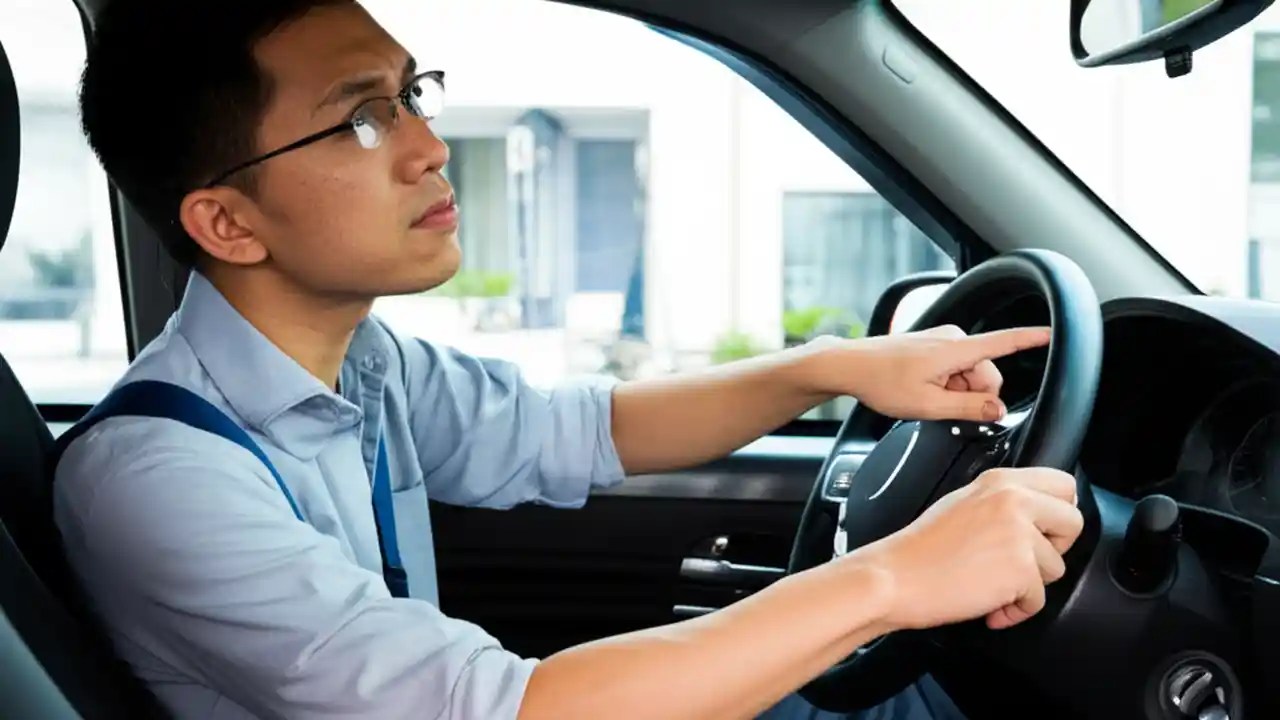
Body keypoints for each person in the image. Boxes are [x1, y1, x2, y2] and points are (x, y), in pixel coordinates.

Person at [56, 1, 1085, 718]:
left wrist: (832, 368)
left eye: (412, 94)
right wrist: (896, 576)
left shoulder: (364, 365)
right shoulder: (159, 480)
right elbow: (501, 712)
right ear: (229, 224)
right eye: (362, 118)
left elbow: (586, 429)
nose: (428, 147)